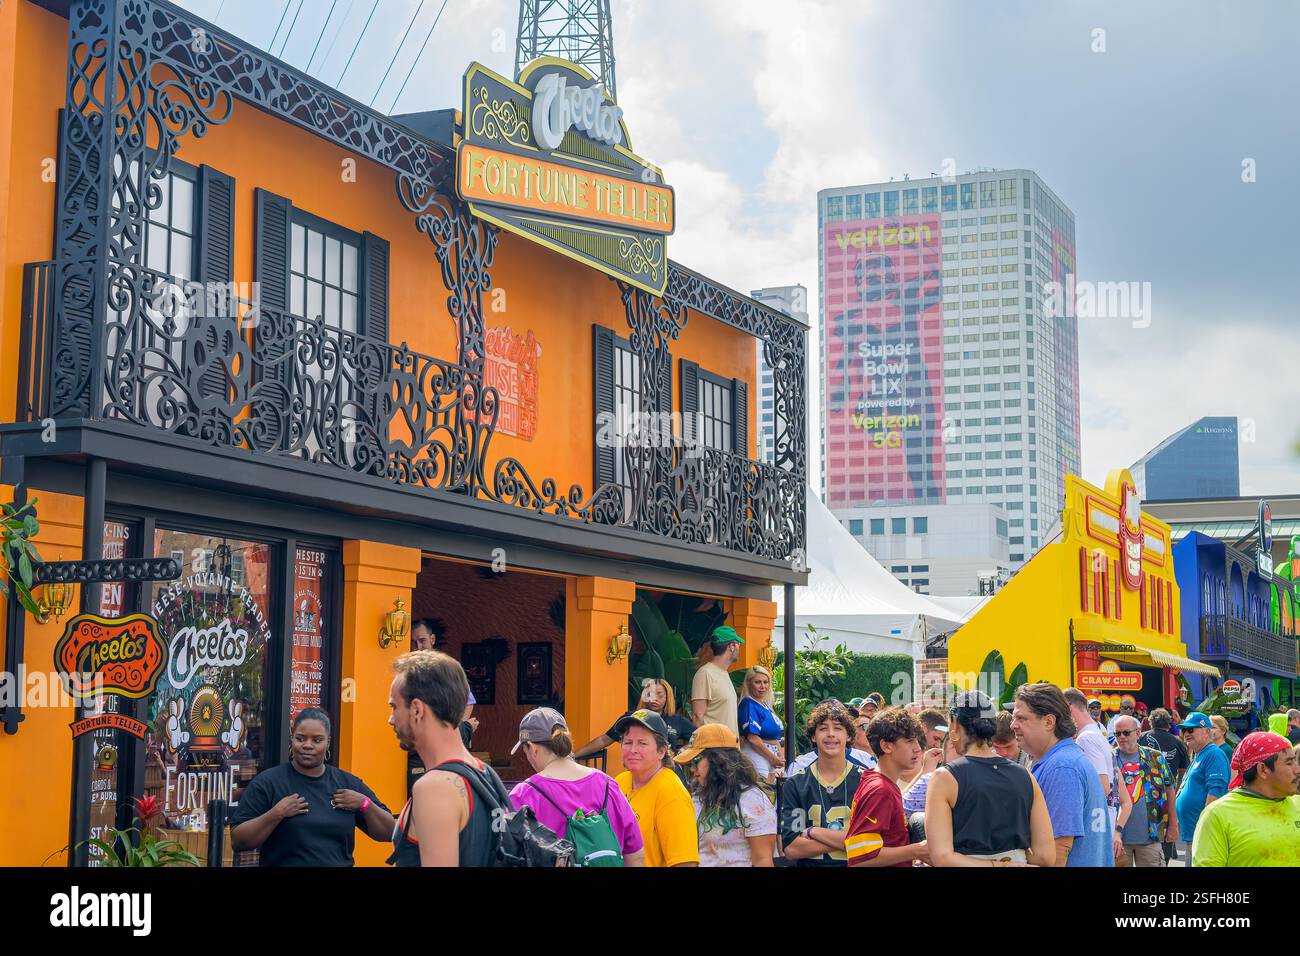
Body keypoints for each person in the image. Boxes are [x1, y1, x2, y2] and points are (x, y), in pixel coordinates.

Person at [229, 708, 393, 866]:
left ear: (328, 742)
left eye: (317, 740)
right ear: (291, 738)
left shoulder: (347, 784)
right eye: (300, 739)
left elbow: (390, 832)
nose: (307, 745)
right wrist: (276, 814)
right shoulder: (268, 783)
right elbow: (238, 840)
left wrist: (365, 803)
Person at [387, 651, 505, 867]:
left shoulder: (435, 786)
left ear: (416, 709)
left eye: (394, 707)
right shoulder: (484, 772)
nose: (391, 719)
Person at [925, 691, 1055, 867]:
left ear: (955, 725)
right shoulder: (1026, 776)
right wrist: (1011, 860)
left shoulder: (944, 778)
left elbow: (942, 857)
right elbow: (1045, 856)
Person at [507, 707, 645, 865]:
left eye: (524, 751)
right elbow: (635, 855)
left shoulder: (524, 795)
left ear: (532, 747)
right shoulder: (608, 785)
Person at [1011, 683, 1111, 867]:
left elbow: (1058, 851)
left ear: (1049, 722)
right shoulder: (1062, 760)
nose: (1013, 725)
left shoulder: (1062, 767)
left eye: (1021, 718)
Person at [675, 723, 776, 866]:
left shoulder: (753, 800)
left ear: (719, 759)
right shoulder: (697, 797)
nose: (692, 769)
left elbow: (763, 861)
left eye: (696, 761)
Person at [1192, 732, 1300, 866]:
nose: (1298, 769)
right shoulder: (1218, 814)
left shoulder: (1298, 803)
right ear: (1263, 770)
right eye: (1289, 763)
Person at [778, 701, 865, 866]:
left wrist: (814, 832)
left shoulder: (866, 781)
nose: (831, 734)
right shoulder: (795, 784)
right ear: (813, 736)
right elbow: (791, 849)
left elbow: (871, 844)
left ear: (848, 736)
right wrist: (846, 841)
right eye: (823, 728)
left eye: (838, 728)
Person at [845, 707, 930, 867]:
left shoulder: (878, 782)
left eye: (917, 740)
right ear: (886, 746)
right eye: (909, 740)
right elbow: (859, 860)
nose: (918, 748)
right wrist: (916, 850)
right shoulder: (880, 790)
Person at [613, 709, 699, 867]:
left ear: (661, 751)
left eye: (642, 743)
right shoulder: (620, 782)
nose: (633, 750)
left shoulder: (671, 793)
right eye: (628, 742)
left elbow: (685, 863)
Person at [1064, 687, 1131, 859]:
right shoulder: (1096, 734)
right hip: (1103, 825)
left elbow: (1101, 788)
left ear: (1069, 708)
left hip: (1094, 828)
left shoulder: (1086, 738)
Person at [573, 678, 694, 759]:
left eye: (660, 695)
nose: (654, 698)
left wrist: (682, 751)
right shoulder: (631, 718)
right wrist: (573, 756)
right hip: (639, 770)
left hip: (669, 772)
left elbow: (700, 738)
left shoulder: (677, 720)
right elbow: (604, 740)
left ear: (668, 697)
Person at [1112, 714, 1175, 867]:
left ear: (1138, 733)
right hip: (1117, 839)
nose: (1121, 737)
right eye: (1117, 734)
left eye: (1126, 733)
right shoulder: (1109, 758)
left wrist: (1173, 823)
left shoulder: (1155, 757)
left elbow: (1170, 789)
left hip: (1150, 836)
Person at [1173, 711, 1230, 866]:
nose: (1186, 733)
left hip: (1203, 836)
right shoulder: (1200, 754)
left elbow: (1215, 793)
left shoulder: (1213, 754)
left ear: (1207, 732)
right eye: (1184, 730)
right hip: (1193, 834)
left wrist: (1204, 828)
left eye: (1191, 729)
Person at [408, 618, 476, 747]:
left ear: (432, 639)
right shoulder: (405, 670)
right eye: (413, 642)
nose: (418, 647)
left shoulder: (449, 668)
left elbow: (468, 702)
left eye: (422, 641)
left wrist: (458, 730)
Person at [1140, 707, 1189, 864]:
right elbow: (1183, 771)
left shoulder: (1140, 738)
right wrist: (1176, 788)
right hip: (1168, 794)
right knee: (1166, 833)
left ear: (1150, 722)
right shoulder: (1177, 742)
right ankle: (1165, 861)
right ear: (1169, 724)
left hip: (1143, 794)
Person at [690, 626, 743, 733]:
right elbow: (697, 717)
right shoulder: (705, 673)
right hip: (714, 748)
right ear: (732, 646)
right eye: (739, 644)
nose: (739, 648)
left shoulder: (723, 673)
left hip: (729, 747)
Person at [737, 665, 785, 783]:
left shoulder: (765, 705)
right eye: (757, 682)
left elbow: (775, 737)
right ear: (748, 684)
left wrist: (779, 756)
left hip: (771, 756)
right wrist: (773, 758)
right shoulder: (748, 704)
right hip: (757, 755)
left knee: (771, 797)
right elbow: (753, 739)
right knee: (760, 794)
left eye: (765, 682)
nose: (763, 686)